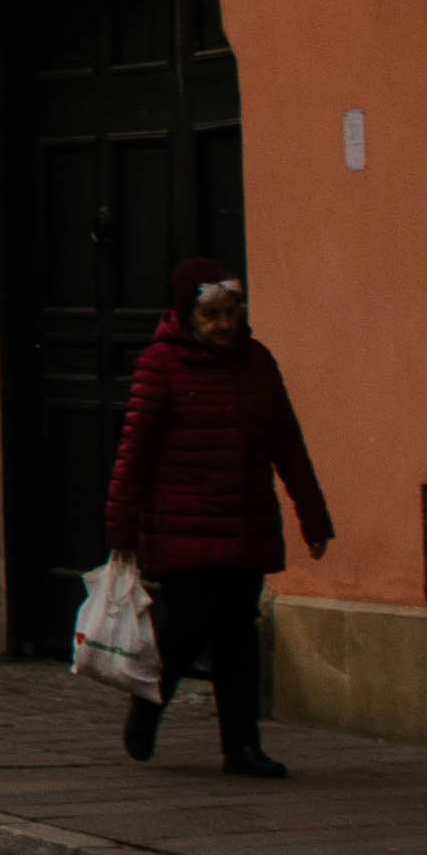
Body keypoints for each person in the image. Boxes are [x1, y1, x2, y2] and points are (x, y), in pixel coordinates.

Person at [106, 259, 334, 780]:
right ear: (187, 315)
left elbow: (287, 444)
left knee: (238, 637)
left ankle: (243, 747)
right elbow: (134, 453)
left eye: (232, 313)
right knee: (186, 629)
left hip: (245, 522)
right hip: (183, 524)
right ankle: (148, 706)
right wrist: (120, 528)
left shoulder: (258, 363)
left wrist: (313, 516)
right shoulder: (160, 366)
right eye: (212, 315)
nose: (225, 325)